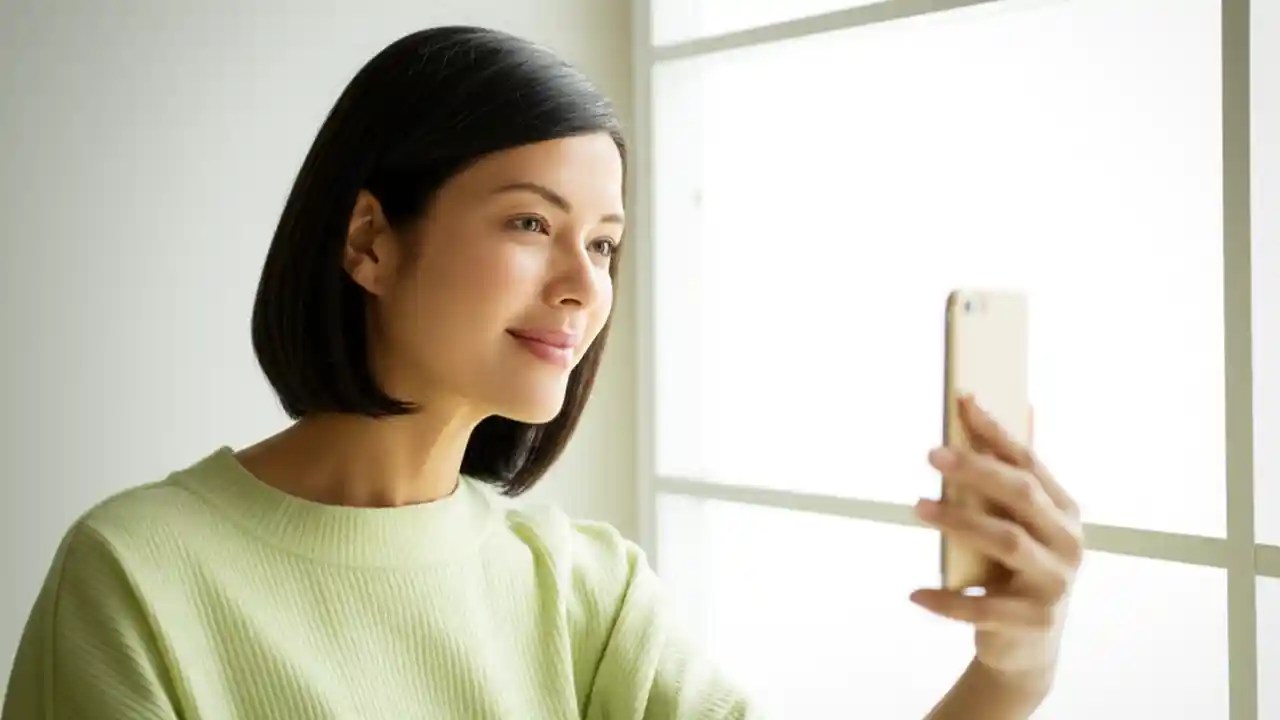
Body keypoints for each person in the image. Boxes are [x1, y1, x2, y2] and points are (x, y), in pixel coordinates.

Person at [1, 26, 1083, 720]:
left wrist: (1009, 671)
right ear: (369, 240)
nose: (582, 285)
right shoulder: (136, 576)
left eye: (604, 244)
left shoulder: (586, 591)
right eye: (531, 223)